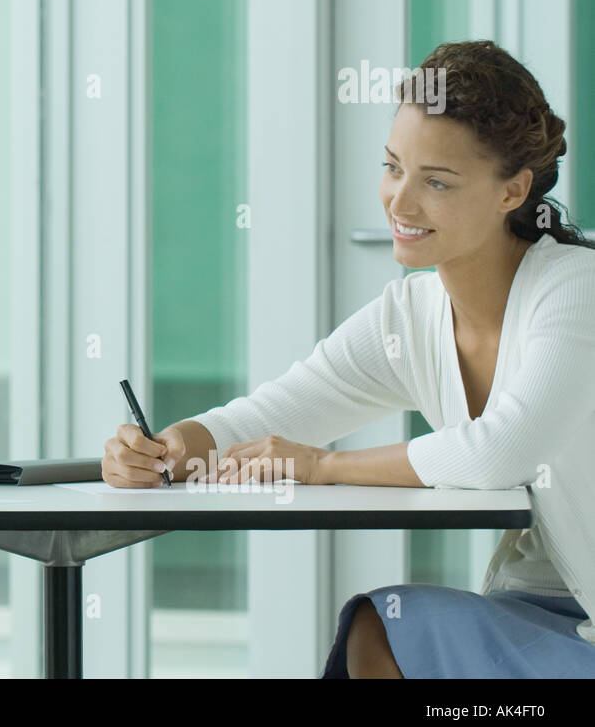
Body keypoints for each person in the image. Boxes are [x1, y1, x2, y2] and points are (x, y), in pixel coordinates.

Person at [102, 40, 595, 678]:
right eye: (394, 168)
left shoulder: (575, 289)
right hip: (529, 609)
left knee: (385, 625)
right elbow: (273, 415)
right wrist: (167, 449)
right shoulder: (409, 319)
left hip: (578, 625)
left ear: (514, 191)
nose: (401, 202)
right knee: (382, 623)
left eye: (437, 182)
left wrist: (325, 466)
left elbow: (500, 451)